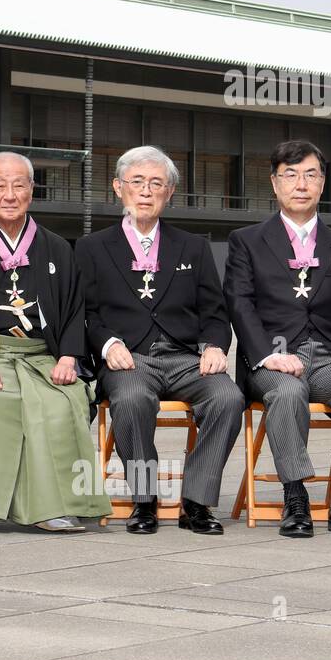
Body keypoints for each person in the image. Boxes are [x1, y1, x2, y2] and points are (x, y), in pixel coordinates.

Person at [0, 151, 111, 533]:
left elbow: (76, 308)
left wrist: (68, 358)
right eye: (0, 185)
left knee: (63, 402)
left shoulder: (59, 248)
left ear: (31, 190)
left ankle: (58, 506)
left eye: (19, 184)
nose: (9, 194)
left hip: (44, 357)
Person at [76, 145, 244, 535]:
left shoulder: (192, 246)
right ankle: (145, 498)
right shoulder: (91, 247)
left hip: (185, 357)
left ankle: (196, 500)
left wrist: (216, 346)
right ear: (119, 188)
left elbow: (214, 310)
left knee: (228, 397)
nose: (146, 191)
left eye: (157, 183)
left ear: (170, 192)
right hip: (128, 357)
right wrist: (107, 345)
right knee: (132, 399)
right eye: (137, 182)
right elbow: (85, 312)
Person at [224, 140, 331, 538]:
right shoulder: (246, 241)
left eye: (310, 174)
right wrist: (267, 356)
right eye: (290, 175)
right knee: (287, 392)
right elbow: (239, 304)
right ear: (274, 184)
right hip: (273, 360)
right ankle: (294, 497)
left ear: (323, 183)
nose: (301, 184)